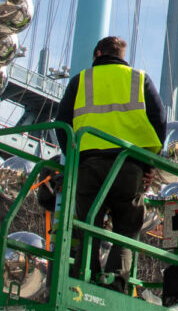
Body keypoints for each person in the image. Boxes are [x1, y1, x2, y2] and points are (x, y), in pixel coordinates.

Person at [53, 35, 167, 291]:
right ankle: (116, 282)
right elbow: (159, 121)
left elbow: (61, 124)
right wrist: (149, 165)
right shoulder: (139, 79)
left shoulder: (81, 80)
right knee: (127, 227)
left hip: (88, 164)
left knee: (87, 226)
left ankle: (84, 278)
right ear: (123, 56)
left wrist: (73, 158)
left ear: (97, 54)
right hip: (128, 165)